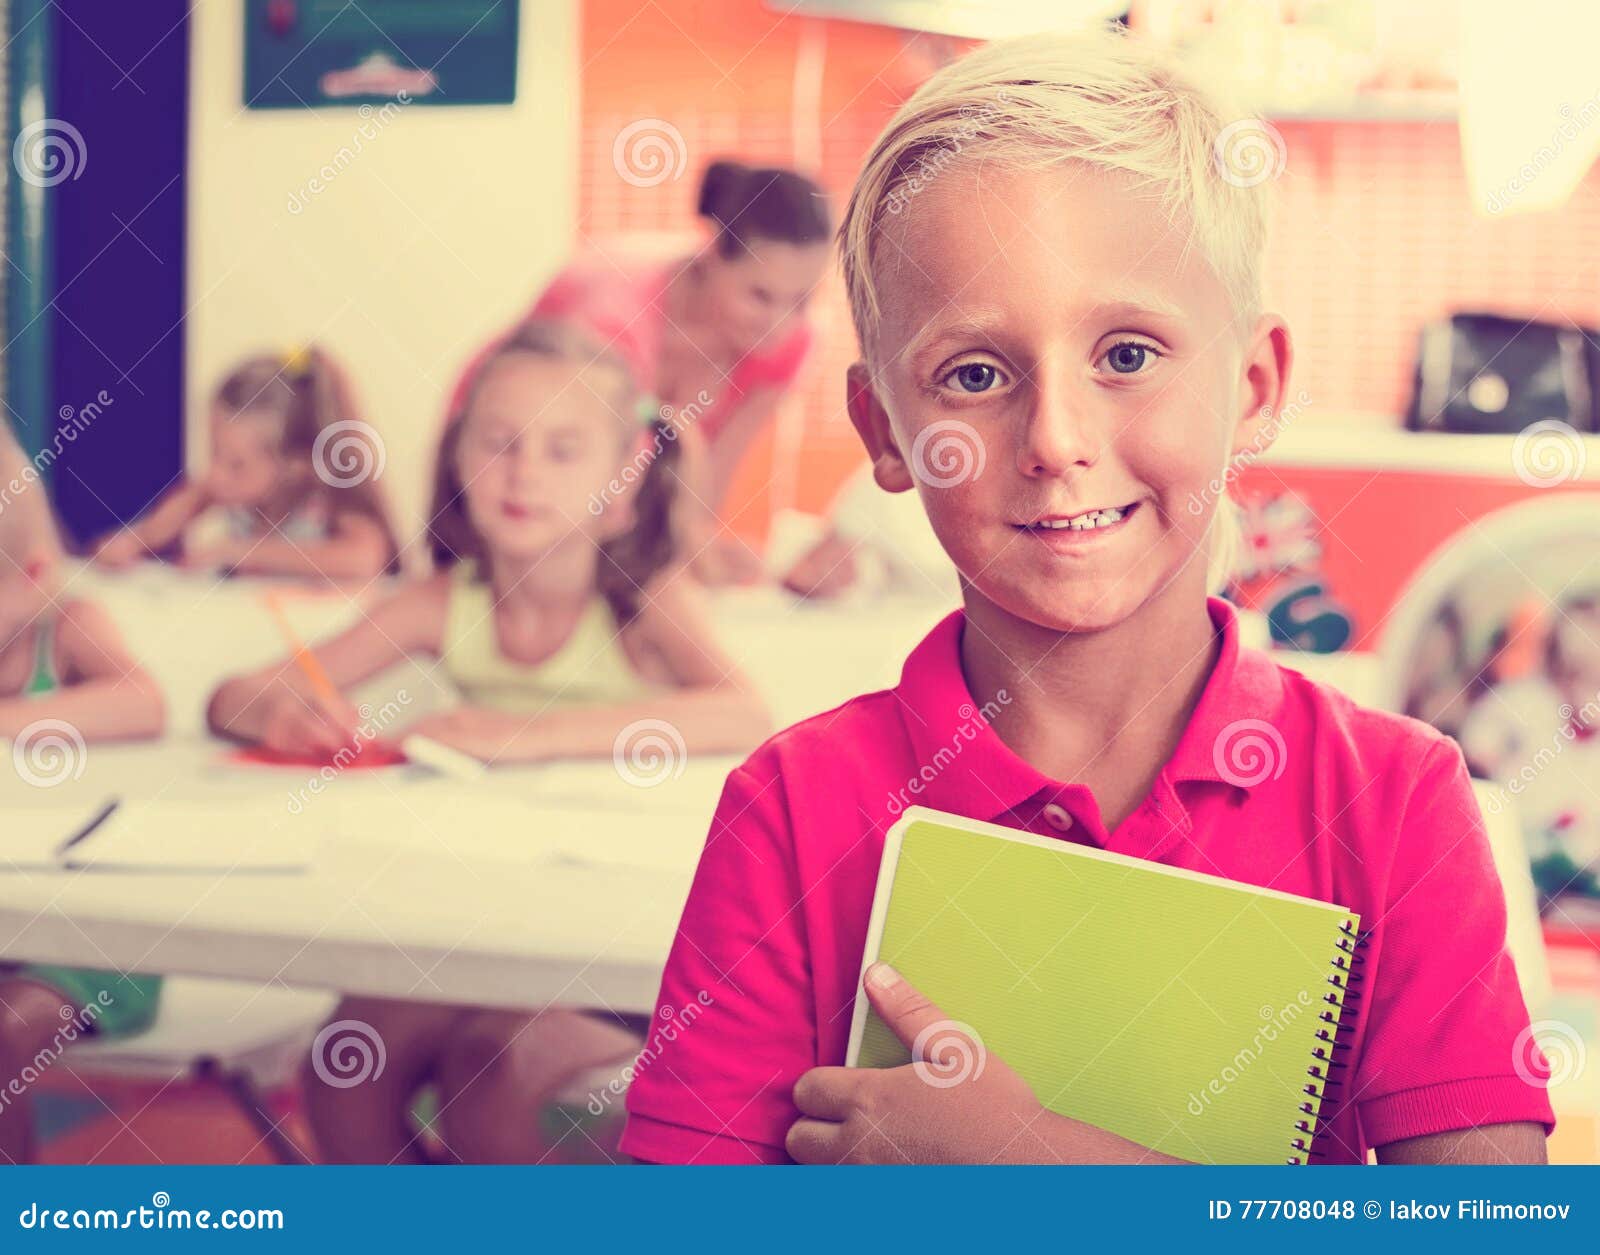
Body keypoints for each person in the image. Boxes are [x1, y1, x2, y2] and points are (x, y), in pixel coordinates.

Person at [619, 29, 1553, 1166]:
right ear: (884, 431)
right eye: (974, 374)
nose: (1056, 441)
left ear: (1251, 387)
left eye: (1125, 354)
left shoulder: (1399, 803)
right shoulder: (790, 810)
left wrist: (1034, 1163)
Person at [206, 320, 768, 1162]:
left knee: (490, 1075)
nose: (523, 471)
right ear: (457, 454)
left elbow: (748, 714)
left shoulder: (642, 602)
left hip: (611, 943)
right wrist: (279, 715)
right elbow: (232, 696)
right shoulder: (442, 601)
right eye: (498, 441)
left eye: (563, 449)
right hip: (466, 922)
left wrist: (525, 734)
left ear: (619, 486)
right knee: (341, 1073)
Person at [525, 159, 831, 583]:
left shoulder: (791, 345)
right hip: (519, 456)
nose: (781, 324)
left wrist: (702, 551)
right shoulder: (613, 319)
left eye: (800, 301)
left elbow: (706, 489)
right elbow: (576, 478)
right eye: (760, 295)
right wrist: (682, 553)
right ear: (711, 250)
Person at [0, 423, 166, 1165]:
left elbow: (144, 702)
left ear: (34, 575)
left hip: (90, 943)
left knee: (3, 1035)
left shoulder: (65, 629)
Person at [90, 346, 398, 581]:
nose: (215, 475)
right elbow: (172, 516)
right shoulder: (227, 488)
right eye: (213, 453)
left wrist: (241, 552)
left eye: (236, 465)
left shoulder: (325, 499)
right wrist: (133, 542)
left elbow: (365, 559)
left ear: (295, 466)